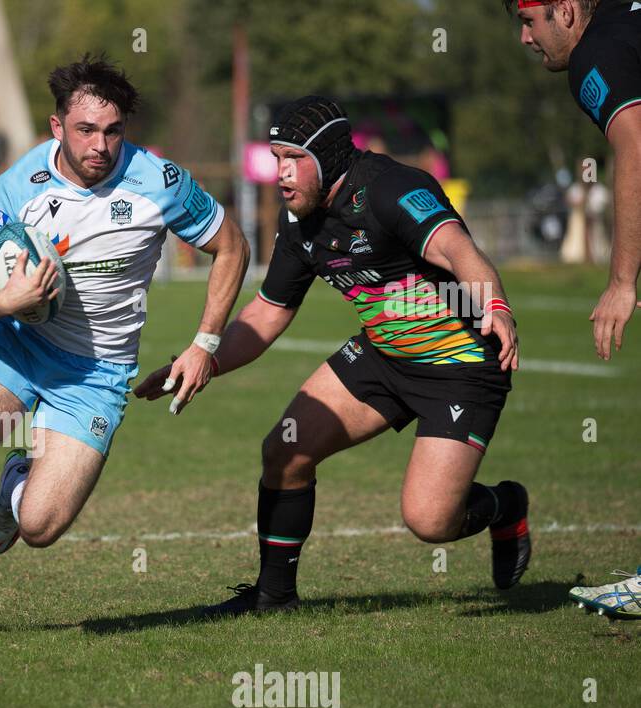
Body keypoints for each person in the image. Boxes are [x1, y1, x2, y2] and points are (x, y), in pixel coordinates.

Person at [0, 54, 249, 644]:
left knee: (41, 525)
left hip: (96, 373)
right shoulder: (17, 185)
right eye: (85, 130)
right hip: (14, 347)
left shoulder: (160, 183)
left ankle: (16, 485)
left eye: (113, 132)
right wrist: (8, 301)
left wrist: (204, 345)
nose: (101, 145)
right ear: (56, 126)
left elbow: (232, 247)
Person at [134, 96, 529, 616]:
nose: (281, 173)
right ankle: (274, 597)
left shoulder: (392, 189)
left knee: (429, 520)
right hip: (384, 356)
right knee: (285, 451)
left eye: (292, 159)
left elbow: (457, 250)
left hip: (461, 368)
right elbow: (269, 313)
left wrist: (494, 303)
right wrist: (202, 356)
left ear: (329, 158)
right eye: (276, 159)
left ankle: (505, 507)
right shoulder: (299, 220)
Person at [503, 0, 641, 617]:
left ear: (564, 10)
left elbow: (635, 145)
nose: (525, 38)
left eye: (530, 22)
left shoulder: (594, 52)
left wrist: (621, 280)